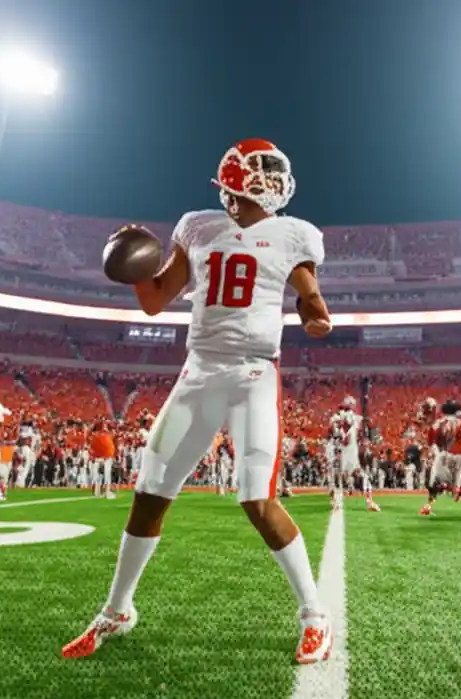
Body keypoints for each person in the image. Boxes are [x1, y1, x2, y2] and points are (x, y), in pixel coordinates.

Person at [63, 139, 334, 664]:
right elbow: (156, 301)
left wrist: (313, 316)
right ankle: (117, 609)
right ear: (235, 188)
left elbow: (309, 294)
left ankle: (314, 615)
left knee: (257, 499)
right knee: (150, 490)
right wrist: (135, 267)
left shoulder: (294, 235)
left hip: (254, 373)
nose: (272, 186)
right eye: (264, 177)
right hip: (198, 373)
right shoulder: (198, 226)